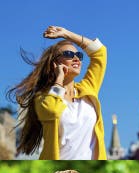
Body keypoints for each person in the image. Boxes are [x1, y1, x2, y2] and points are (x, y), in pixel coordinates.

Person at [10, 25, 107, 160]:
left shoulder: (88, 89)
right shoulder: (43, 98)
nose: (76, 58)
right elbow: (53, 111)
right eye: (68, 54)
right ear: (54, 64)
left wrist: (66, 34)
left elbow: (100, 53)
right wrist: (59, 79)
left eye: (78, 55)